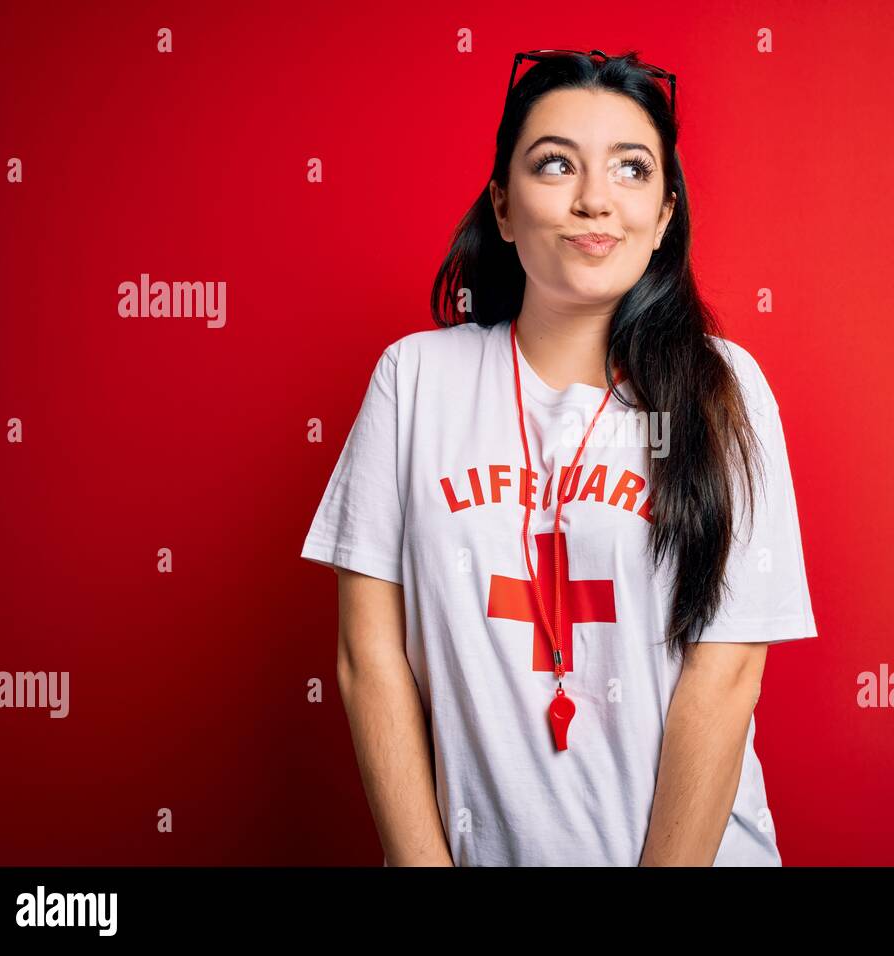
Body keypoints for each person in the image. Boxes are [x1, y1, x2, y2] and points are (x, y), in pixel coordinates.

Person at [300, 49, 817, 866]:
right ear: (503, 207)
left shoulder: (722, 390)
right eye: (554, 164)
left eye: (630, 169)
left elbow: (725, 678)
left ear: (664, 215)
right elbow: (370, 660)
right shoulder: (415, 381)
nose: (594, 199)